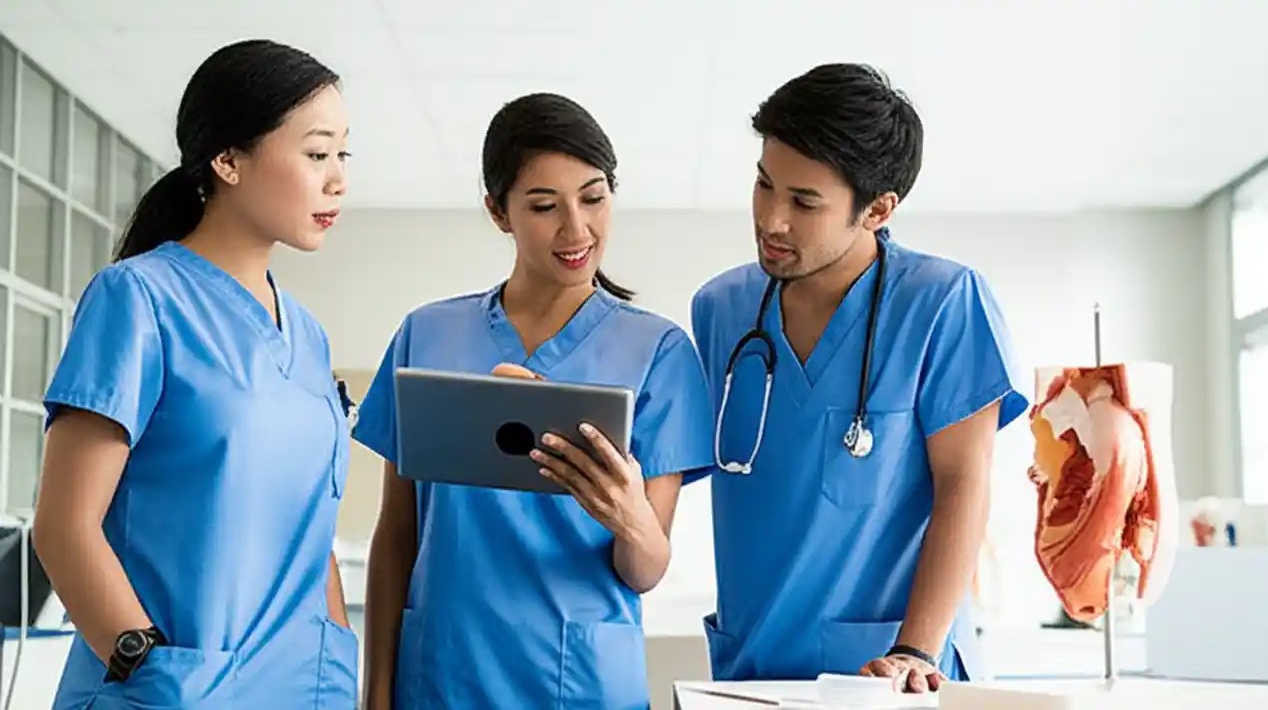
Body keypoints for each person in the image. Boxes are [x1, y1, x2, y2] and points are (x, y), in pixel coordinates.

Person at [353, 92, 715, 709]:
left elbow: (645, 569)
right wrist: (377, 694)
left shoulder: (658, 351)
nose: (576, 229)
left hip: (577, 682)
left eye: (593, 198)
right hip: (442, 675)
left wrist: (625, 511)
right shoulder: (428, 336)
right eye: (545, 206)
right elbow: (397, 535)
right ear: (499, 212)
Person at [32, 39, 357, 708]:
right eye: (316, 154)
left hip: (300, 688)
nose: (338, 180)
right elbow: (64, 526)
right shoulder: (138, 298)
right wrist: (151, 671)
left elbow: (310, 535)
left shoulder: (310, 337)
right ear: (228, 161)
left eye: (343, 156)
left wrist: (336, 667)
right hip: (172, 690)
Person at [691, 63, 1029, 693]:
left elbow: (965, 484)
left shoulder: (942, 303)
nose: (772, 219)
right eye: (764, 184)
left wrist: (916, 649)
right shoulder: (720, 309)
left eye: (804, 202)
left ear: (877, 209)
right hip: (753, 667)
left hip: (888, 675)